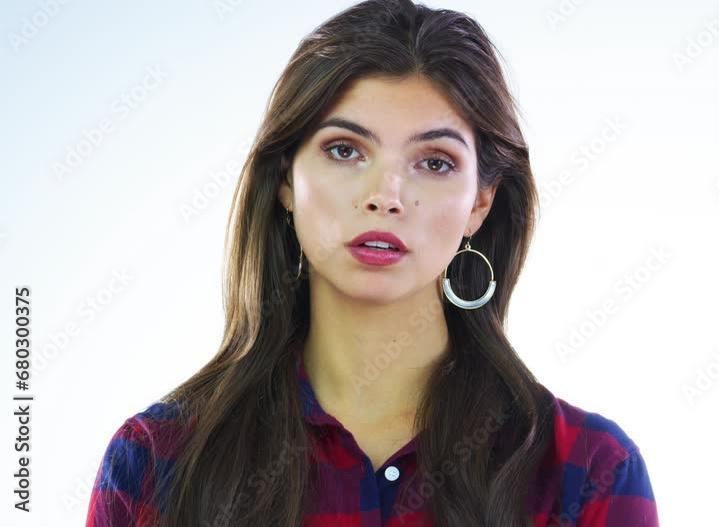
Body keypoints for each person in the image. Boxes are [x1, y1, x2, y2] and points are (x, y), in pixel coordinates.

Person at [85, 0, 659, 525]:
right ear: (286, 178)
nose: (385, 194)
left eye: (434, 162)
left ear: (481, 202)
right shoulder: (156, 462)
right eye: (344, 150)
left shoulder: (589, 471)